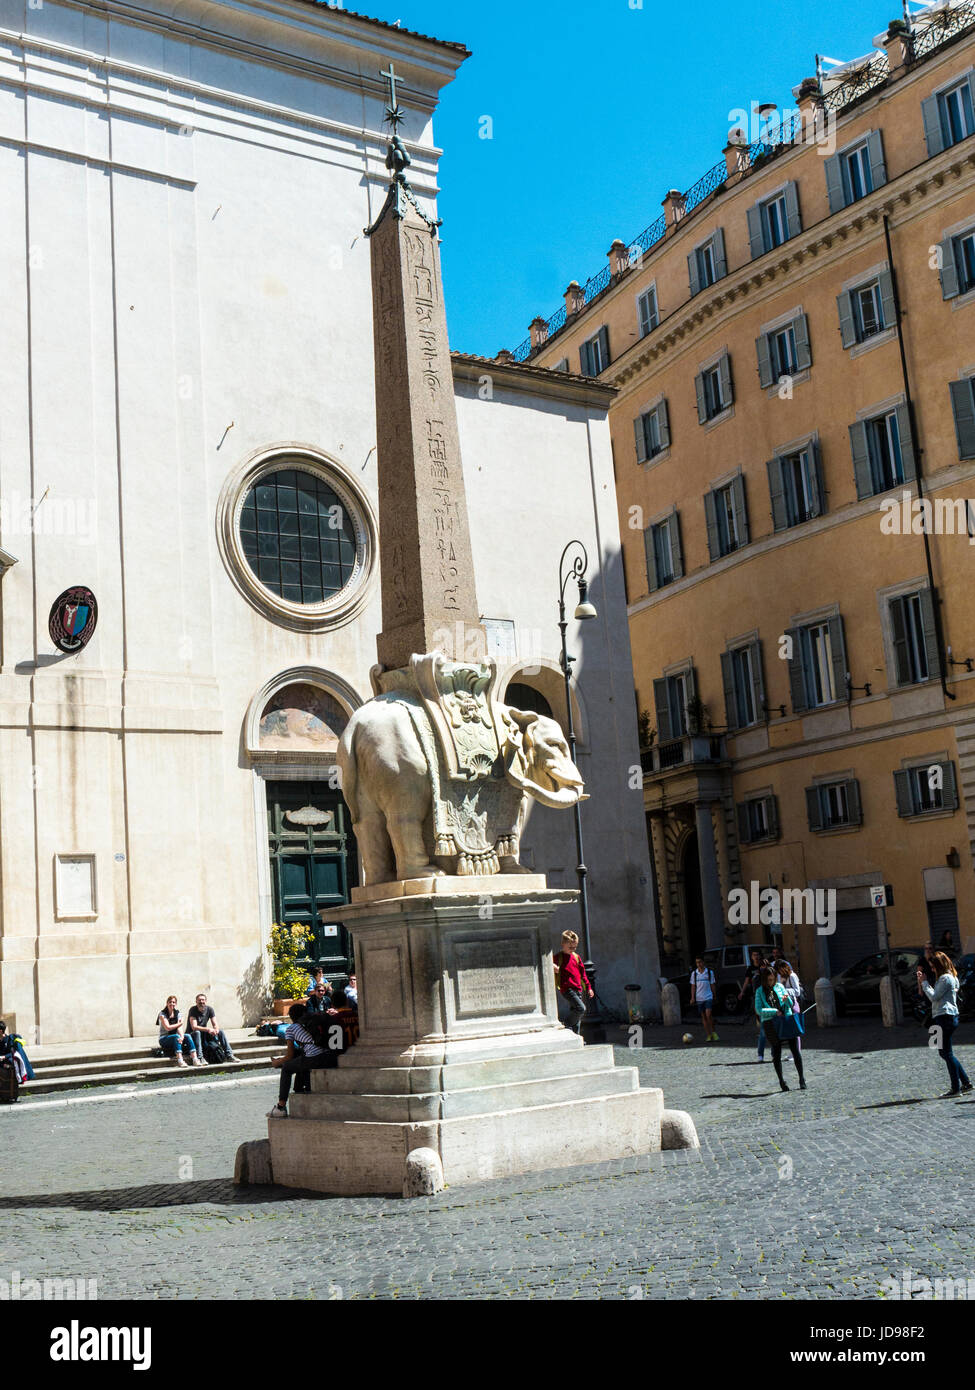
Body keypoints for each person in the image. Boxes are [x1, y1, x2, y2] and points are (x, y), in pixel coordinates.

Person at [917, 952, 973, 1098]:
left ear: (939, 966)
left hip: (944, 1017)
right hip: (948, 1017)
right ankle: (966, 1083)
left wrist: (924, 983)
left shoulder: (945, 978)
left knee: (945, 1053)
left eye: (933, 967)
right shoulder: (952, 977)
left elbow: (934, 997)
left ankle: (956, 1089)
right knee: (946, 1053)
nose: (932, 970)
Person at [268, 1002, 329, 1116]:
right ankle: (300, 1088)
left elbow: (289, 1056)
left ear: (291, 1017)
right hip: (327, 1055)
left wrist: (277, 1062)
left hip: (314, 1058)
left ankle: (281, 1107)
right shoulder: (315, 1022)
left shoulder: (291, 1029)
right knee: (299, 1058)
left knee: (286, 1068)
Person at [755, 967, 806, 1093]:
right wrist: (774, 1012)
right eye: (769, 980)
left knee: (795, 1049)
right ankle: (782, 1081)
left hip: (786, 1020)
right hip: (770, 1024)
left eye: (773, 979)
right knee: (776, 1052)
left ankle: (801, 1079)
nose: (771, 982)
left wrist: (787, 999)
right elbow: (758, 1010)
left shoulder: (780, 987)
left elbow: (789, 1004)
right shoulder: (760, 991)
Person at [554, 931, 593, 1034]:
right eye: (570, 947)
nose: (573, 950)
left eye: (575, 947)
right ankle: (566, 1024)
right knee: (581, 1008)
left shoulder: (576, 957)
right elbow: (548, 964)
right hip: (567, 989)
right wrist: (553, 967)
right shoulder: (558, 957)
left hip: (578, 989)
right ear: (563, 944)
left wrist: (588, 987)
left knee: (576, 1014)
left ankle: (576, 1036)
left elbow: (583, 974)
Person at [186, 993, 240, 1064]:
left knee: (220, 1032)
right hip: (193, 1034)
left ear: (206, 1001)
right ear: (196, 1002)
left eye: (203, 1000)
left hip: (204, 1034)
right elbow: (194, 1027)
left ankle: (229, 1055)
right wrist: (208, 1029)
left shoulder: (209, 1009)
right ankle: (200, 1057)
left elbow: (215, 1024)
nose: (201, 1002)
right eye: (199, 1000)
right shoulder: (193, 1010)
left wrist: (216, 1030)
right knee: (197, 1032)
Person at [738, 949, 768, 1061]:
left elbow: (781, 994)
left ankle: (776, 1053)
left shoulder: (776, 984)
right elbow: (747, 982)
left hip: (772, 1003)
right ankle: (761, 1054)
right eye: (754, 955)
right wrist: (742, 992)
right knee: (763, 1029)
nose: (756, 957)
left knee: (774, 1030)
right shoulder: (752, 972)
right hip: (760, 1001)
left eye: (757, 954)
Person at [156, 996, 196, 1067]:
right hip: (164, 1038)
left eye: (174, 1002)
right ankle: (180, 1061)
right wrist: (179, 1023)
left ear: (176, 1004)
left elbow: (179, 1027)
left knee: (187, 1036)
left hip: (175, 1037)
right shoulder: (162, 1014)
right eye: (170, 1002)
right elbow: (168, 1028)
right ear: (167, 1003)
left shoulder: (178, 1013)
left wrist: (182, 1037)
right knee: (176, 1036)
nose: (172, 1004)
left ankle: (195, 1059)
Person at [776, 961, 804, 1055]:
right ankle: (793, 1051)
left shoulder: (792, 976)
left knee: (795, 1030)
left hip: (793, 1004)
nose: (779, 973)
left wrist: (784, 990)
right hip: (785, 1004)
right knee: (790, 1031)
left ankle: (797, 1052)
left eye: (779, 970)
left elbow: (797, 991)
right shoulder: (782, 977)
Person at [690, 955, 718, 1042]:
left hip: (708, 996)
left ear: (703, 962)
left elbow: (712, 984)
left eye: (700, 962)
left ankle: (714, 1032)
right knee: (704, 1017)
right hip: (699, 998)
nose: (699, 964)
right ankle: (709, 1034)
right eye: (697, 963)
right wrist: (692, 997)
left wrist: (714, 995)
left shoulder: (709, 972)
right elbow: (693, 986)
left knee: (708, 1014)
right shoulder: (694, 974)